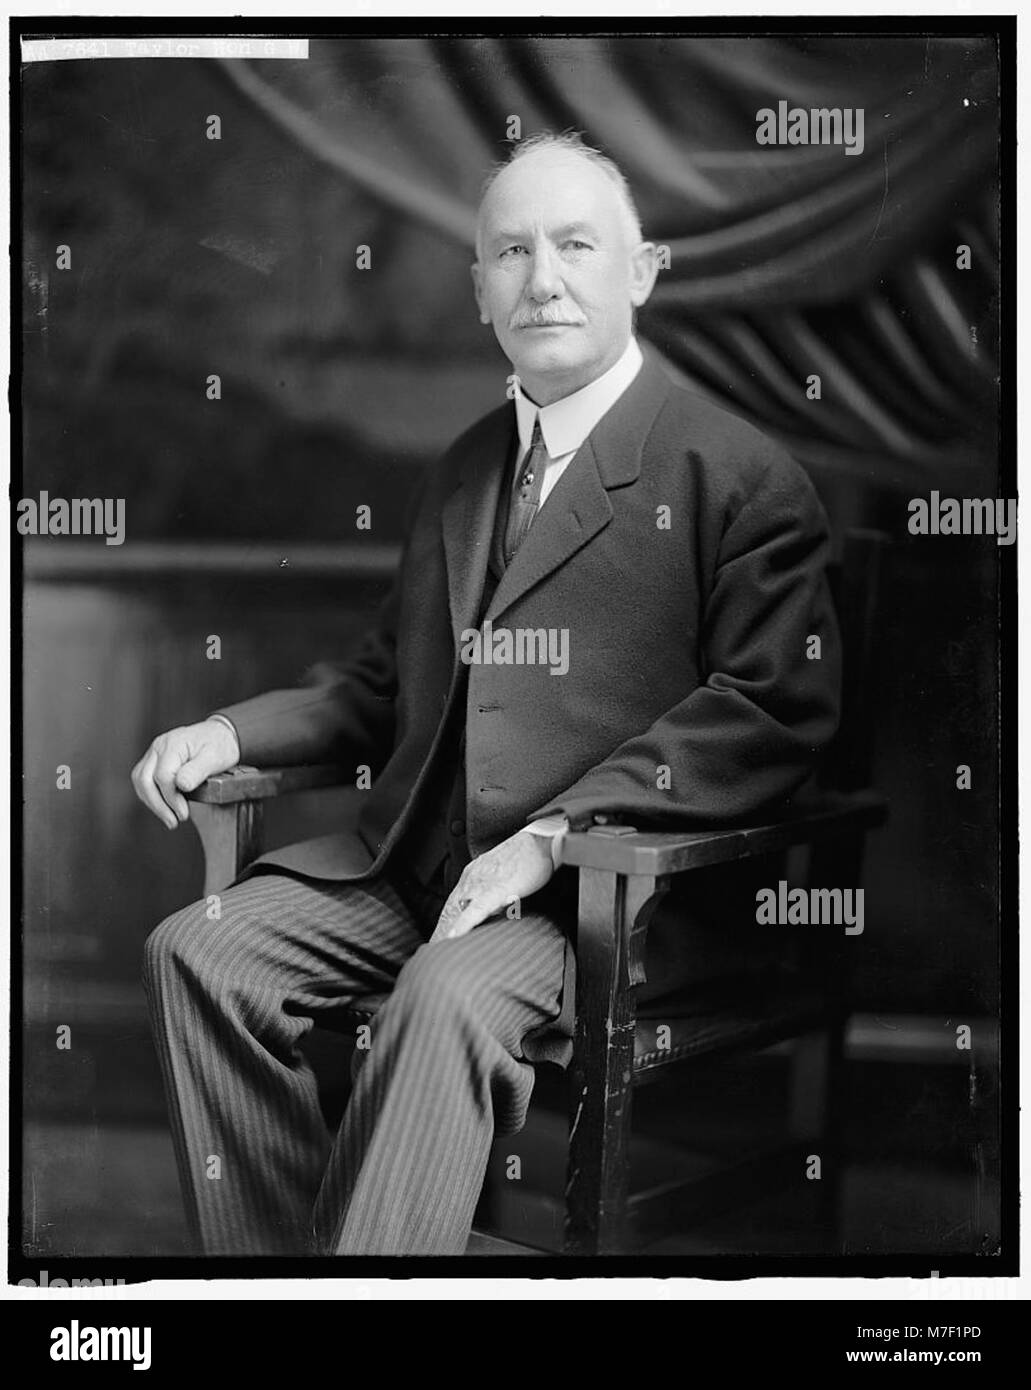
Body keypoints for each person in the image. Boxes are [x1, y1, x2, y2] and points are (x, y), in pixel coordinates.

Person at [133, 132, 841, 1256]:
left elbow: (770, 709)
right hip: (414, 869)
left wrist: (555, 838)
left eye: (574, 246)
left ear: (642, 270)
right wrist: (226, 730)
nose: (541, 278)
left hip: (600, 904)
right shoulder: (465, 467)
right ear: (476, 290)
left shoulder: (735, 475)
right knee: (198, 949)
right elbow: (381, 679)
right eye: (509, 252)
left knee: (443, 996)